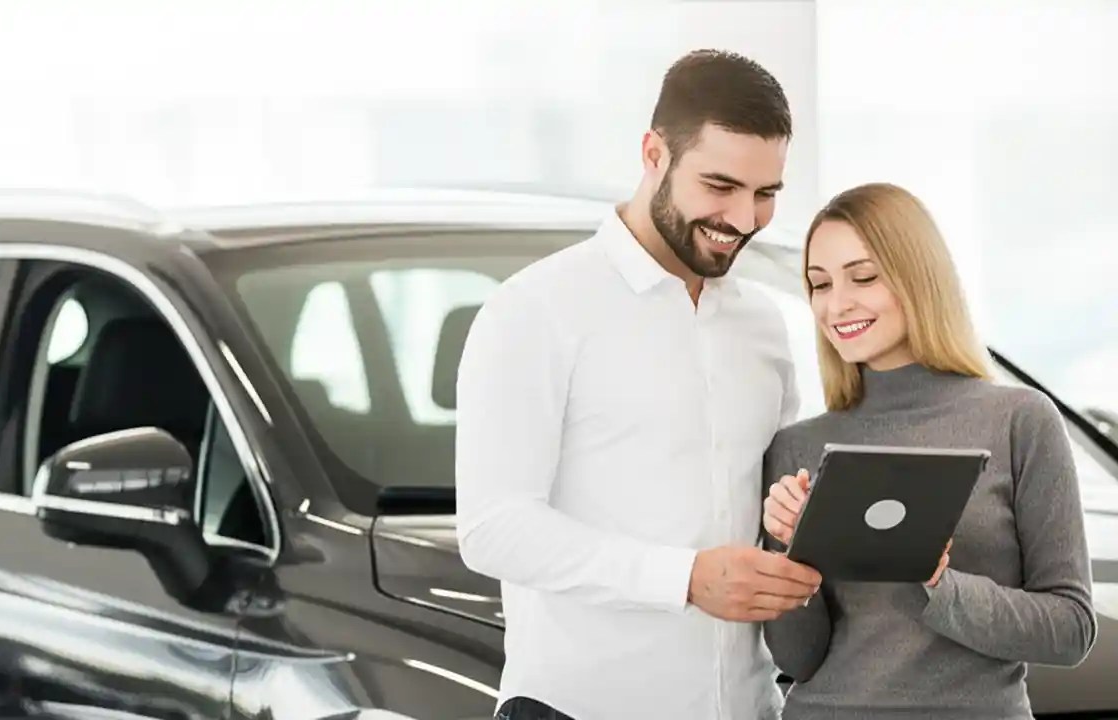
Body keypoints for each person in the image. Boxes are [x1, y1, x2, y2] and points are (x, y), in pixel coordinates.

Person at [454, 49, 822, 720]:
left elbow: (772, 502)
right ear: (654, 153)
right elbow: (492, 528)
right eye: (720, 185)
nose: (743, 217)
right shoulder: (536, 309)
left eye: (766, 193)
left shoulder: (763, 325)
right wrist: (683, 579)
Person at [761, 182, 1097, 719]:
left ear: (918, 276)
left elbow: (1071, 629)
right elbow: (798, 659)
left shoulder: (1019, 420)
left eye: (863, 276)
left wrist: (940, 583)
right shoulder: (797, 446)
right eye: (818, 284)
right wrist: (786, 557)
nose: (836, 303)